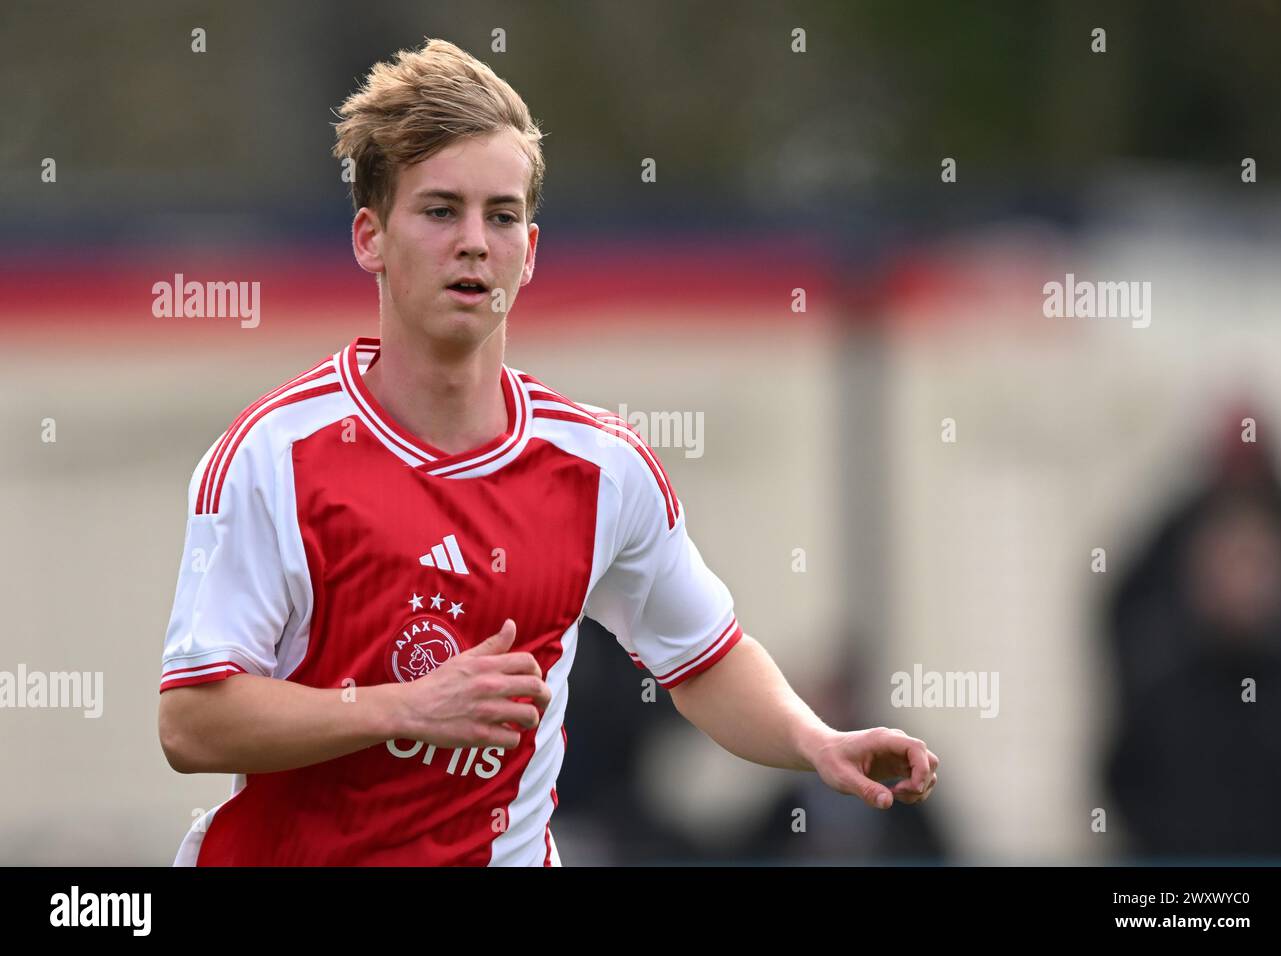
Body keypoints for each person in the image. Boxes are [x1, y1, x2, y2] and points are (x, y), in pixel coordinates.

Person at [156, 37, 938, 866]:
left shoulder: (602, 468)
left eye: (501, 216)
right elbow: (193, 721)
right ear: (369, 238)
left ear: (529, 251)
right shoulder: (275, 456)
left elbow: (705, 658)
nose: (473, 242)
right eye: (439, 210)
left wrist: (814, 742)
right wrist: (404, 707)